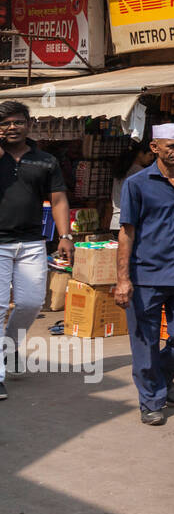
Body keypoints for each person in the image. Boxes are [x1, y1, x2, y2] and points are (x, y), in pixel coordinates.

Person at [115, 124, 174, 425]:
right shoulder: (137, 183)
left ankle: (161, 377)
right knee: (145, 341)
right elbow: (126, 233)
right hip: (146, 276)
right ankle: (151, 401)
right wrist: (122, 279)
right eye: (171, 146)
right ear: (154, 147)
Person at [0, 101, 73, 401]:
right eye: (5, 123)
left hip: (32, 243)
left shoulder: (46, 161)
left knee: (31, 304)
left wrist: (65, 236)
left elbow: (57, 200)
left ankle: (8, 347)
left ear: (29, 124)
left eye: (17, 122)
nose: (11, 127)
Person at [109, 142, 151, 231]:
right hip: (130, 222)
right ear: (140, 154)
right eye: (150, 155)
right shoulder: (140, 172)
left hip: (115, 221)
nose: (152, 158)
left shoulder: (121, 170)